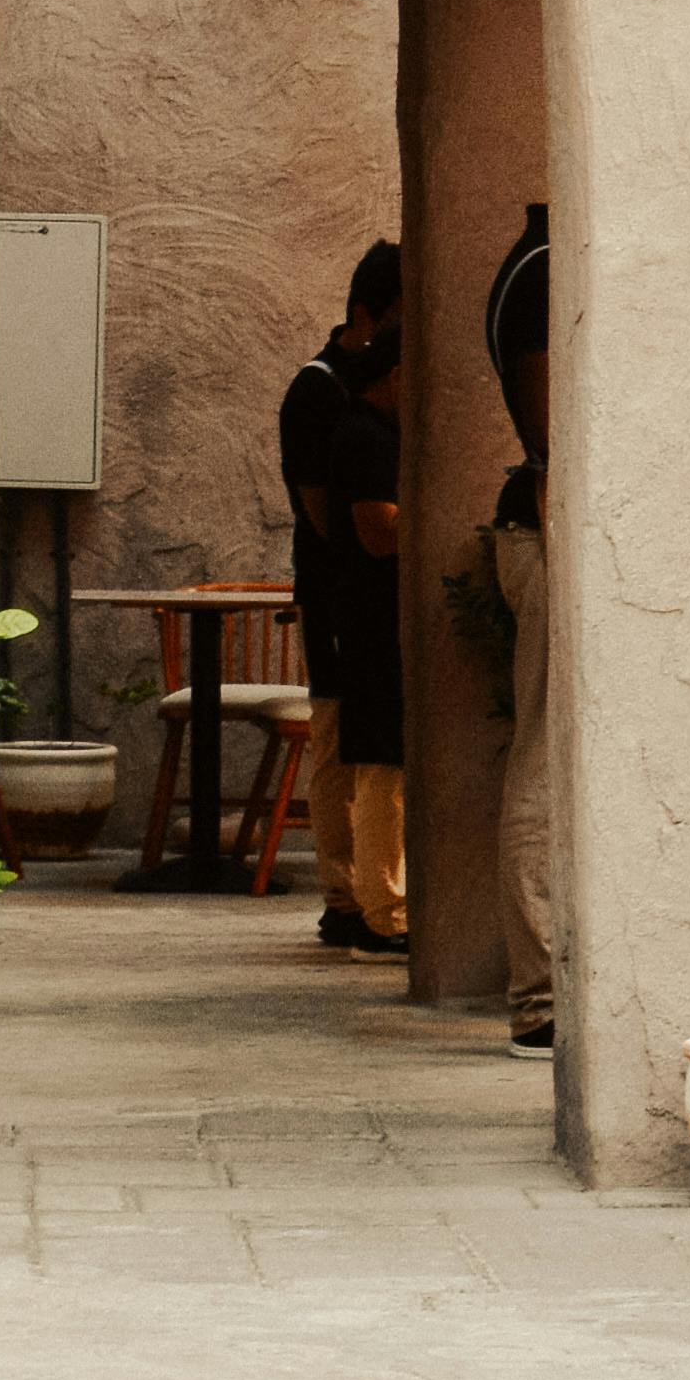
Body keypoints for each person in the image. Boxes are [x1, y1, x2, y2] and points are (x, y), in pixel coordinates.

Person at [277, 241, 408, 953]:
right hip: (337, 589)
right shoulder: (321, 392)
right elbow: (330, 515)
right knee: (339, 739)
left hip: (358, 590)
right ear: (364, 316)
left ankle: (363, 892)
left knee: (363, 742)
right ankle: (345, 893)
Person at [482, 204, 557, 1053]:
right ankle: (541, 998)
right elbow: (551, 434)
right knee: (544, 756)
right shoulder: (542, 268)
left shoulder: (543, 257)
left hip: (549, 526)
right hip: (546, 529)